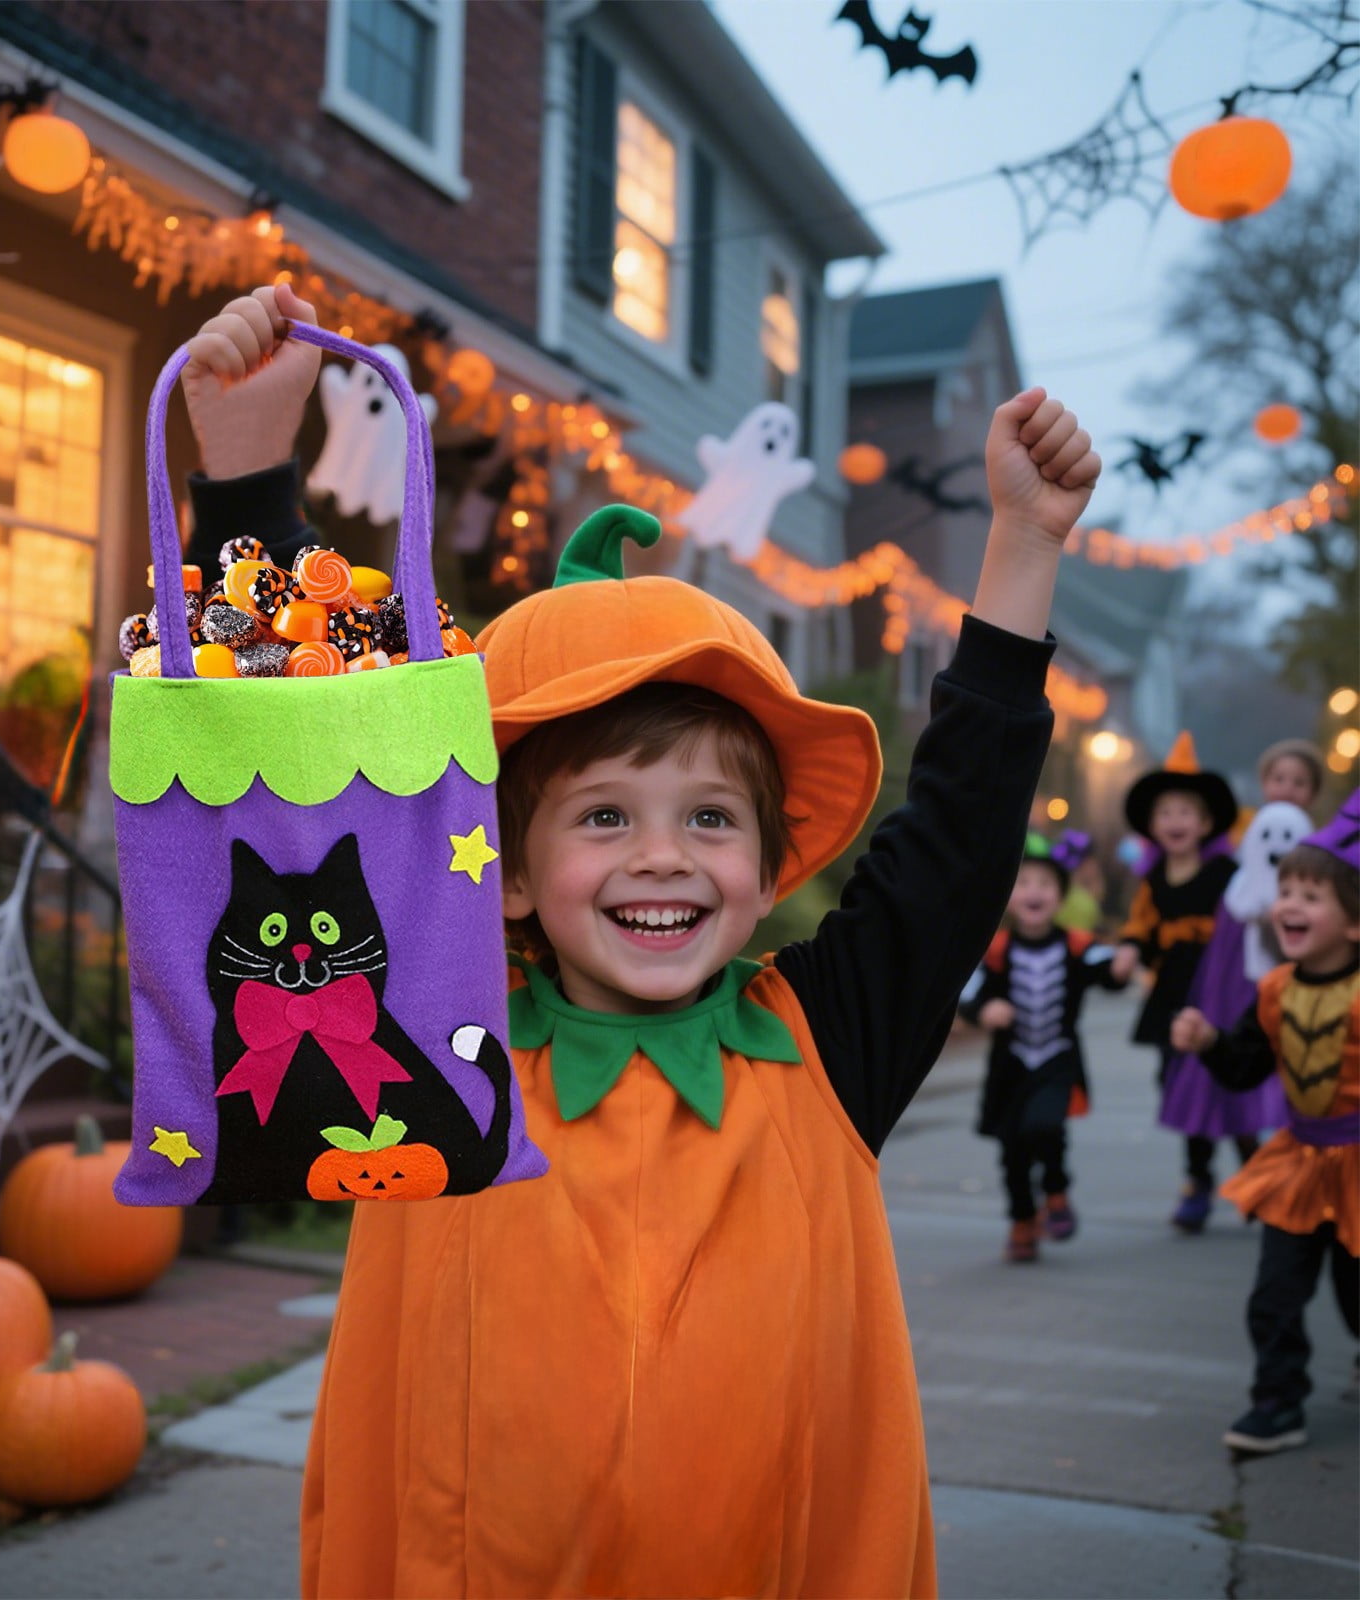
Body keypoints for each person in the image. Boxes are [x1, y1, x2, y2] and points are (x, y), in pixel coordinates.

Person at [178, 283, 1102, 1598]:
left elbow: (955, 843)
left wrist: (1020, 549)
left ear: (767, 857)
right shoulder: (436, 1045)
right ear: (501, 868)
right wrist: (247, 475)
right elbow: (280, 797)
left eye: (710, 817)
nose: (663, 854)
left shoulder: (829, 1034)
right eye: (604, 814)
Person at [1171, 792, 1359, 1455]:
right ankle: (1277, 1403)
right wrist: (1209, 1042)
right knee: (1275, 1295)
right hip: (1301, 1166)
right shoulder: (1275, 989)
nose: (1290, 906)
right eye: (1286, 892)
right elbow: (1247, 1066)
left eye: (1312, 896)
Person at [1111, 734, 1266, 1232]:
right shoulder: (1152, 881)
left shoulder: (1227, 873)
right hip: (1172, 998)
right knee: (1177, 1083)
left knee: (1225, 1085)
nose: (1176, 822)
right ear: (1152, 826)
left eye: (1187, 812)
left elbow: (1250, 920)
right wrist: (1130, 950)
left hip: (1219, 996)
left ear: (1205, 823)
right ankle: (1198, 1179)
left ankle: (1257, 1176)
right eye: (1166, 813)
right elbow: (1140, 927)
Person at [961, 835, 1127, 1262]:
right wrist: (984, 1011)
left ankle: (1056, 1189)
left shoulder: (1076, 946)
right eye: (1024, 883)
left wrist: (1121, 968)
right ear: (1010, 894)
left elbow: (1106, 971)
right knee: (1011, 1150)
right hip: (1010, 1065)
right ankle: (1022, 1220)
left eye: (1045, 885)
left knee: (1046, 1126)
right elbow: (967, 992)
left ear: (1060, 896)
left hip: (1057, 1059)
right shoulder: (996, 951)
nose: (1034, 892)